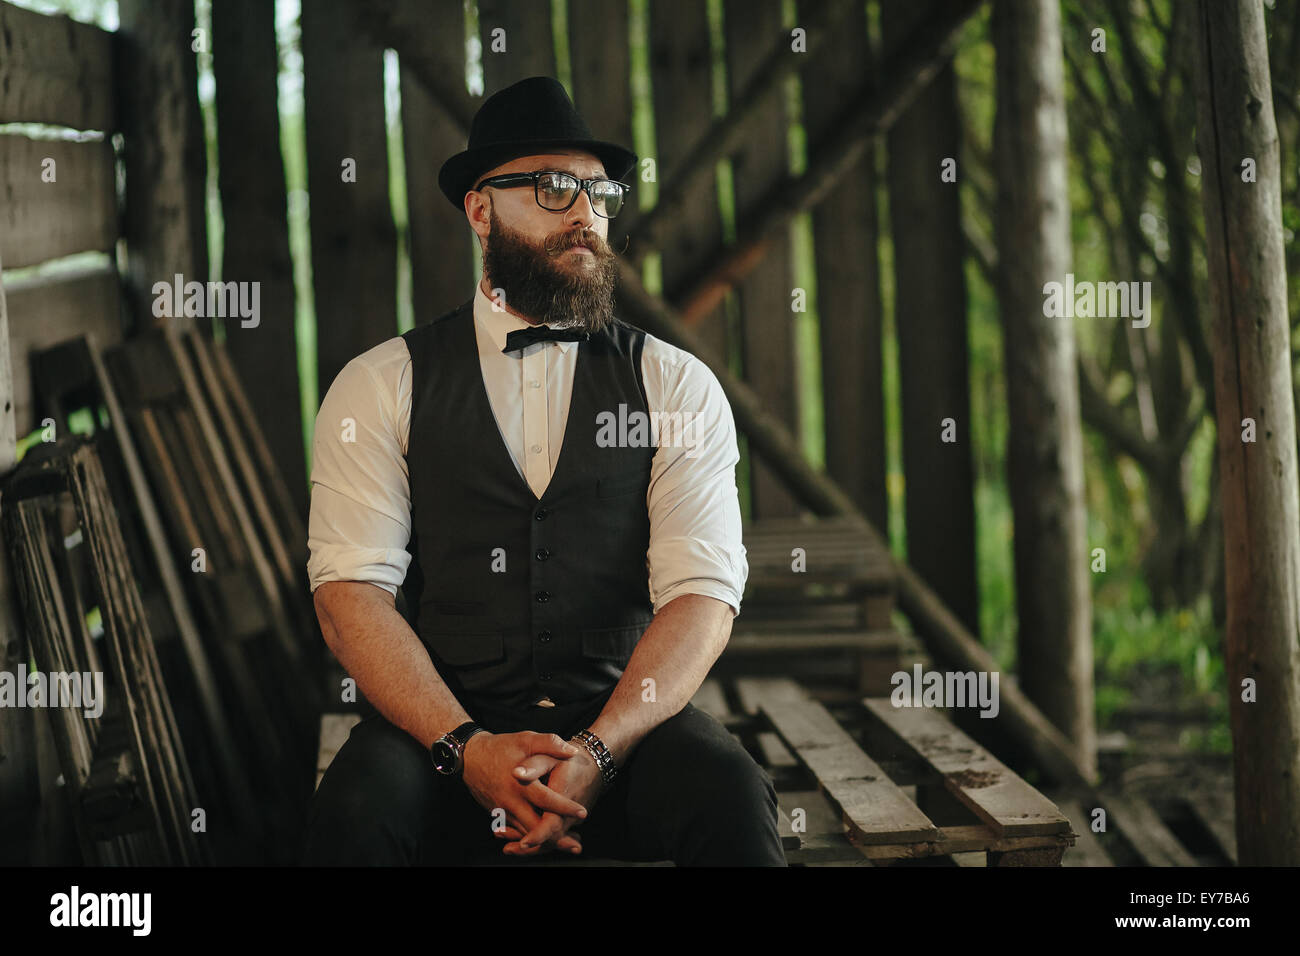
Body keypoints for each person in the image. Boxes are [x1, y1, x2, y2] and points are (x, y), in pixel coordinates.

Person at [302, 76, 785, 866]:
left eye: (599, 193)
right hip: (445, 738)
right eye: (556, 188)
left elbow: (702, 594)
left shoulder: (674, 383)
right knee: (354, 814)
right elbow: (350, 598)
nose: (587, 215)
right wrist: (465, 747)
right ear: (481, 209)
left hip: (626, 734)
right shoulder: (381, 384)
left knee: (729, 796)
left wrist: (598, 751)